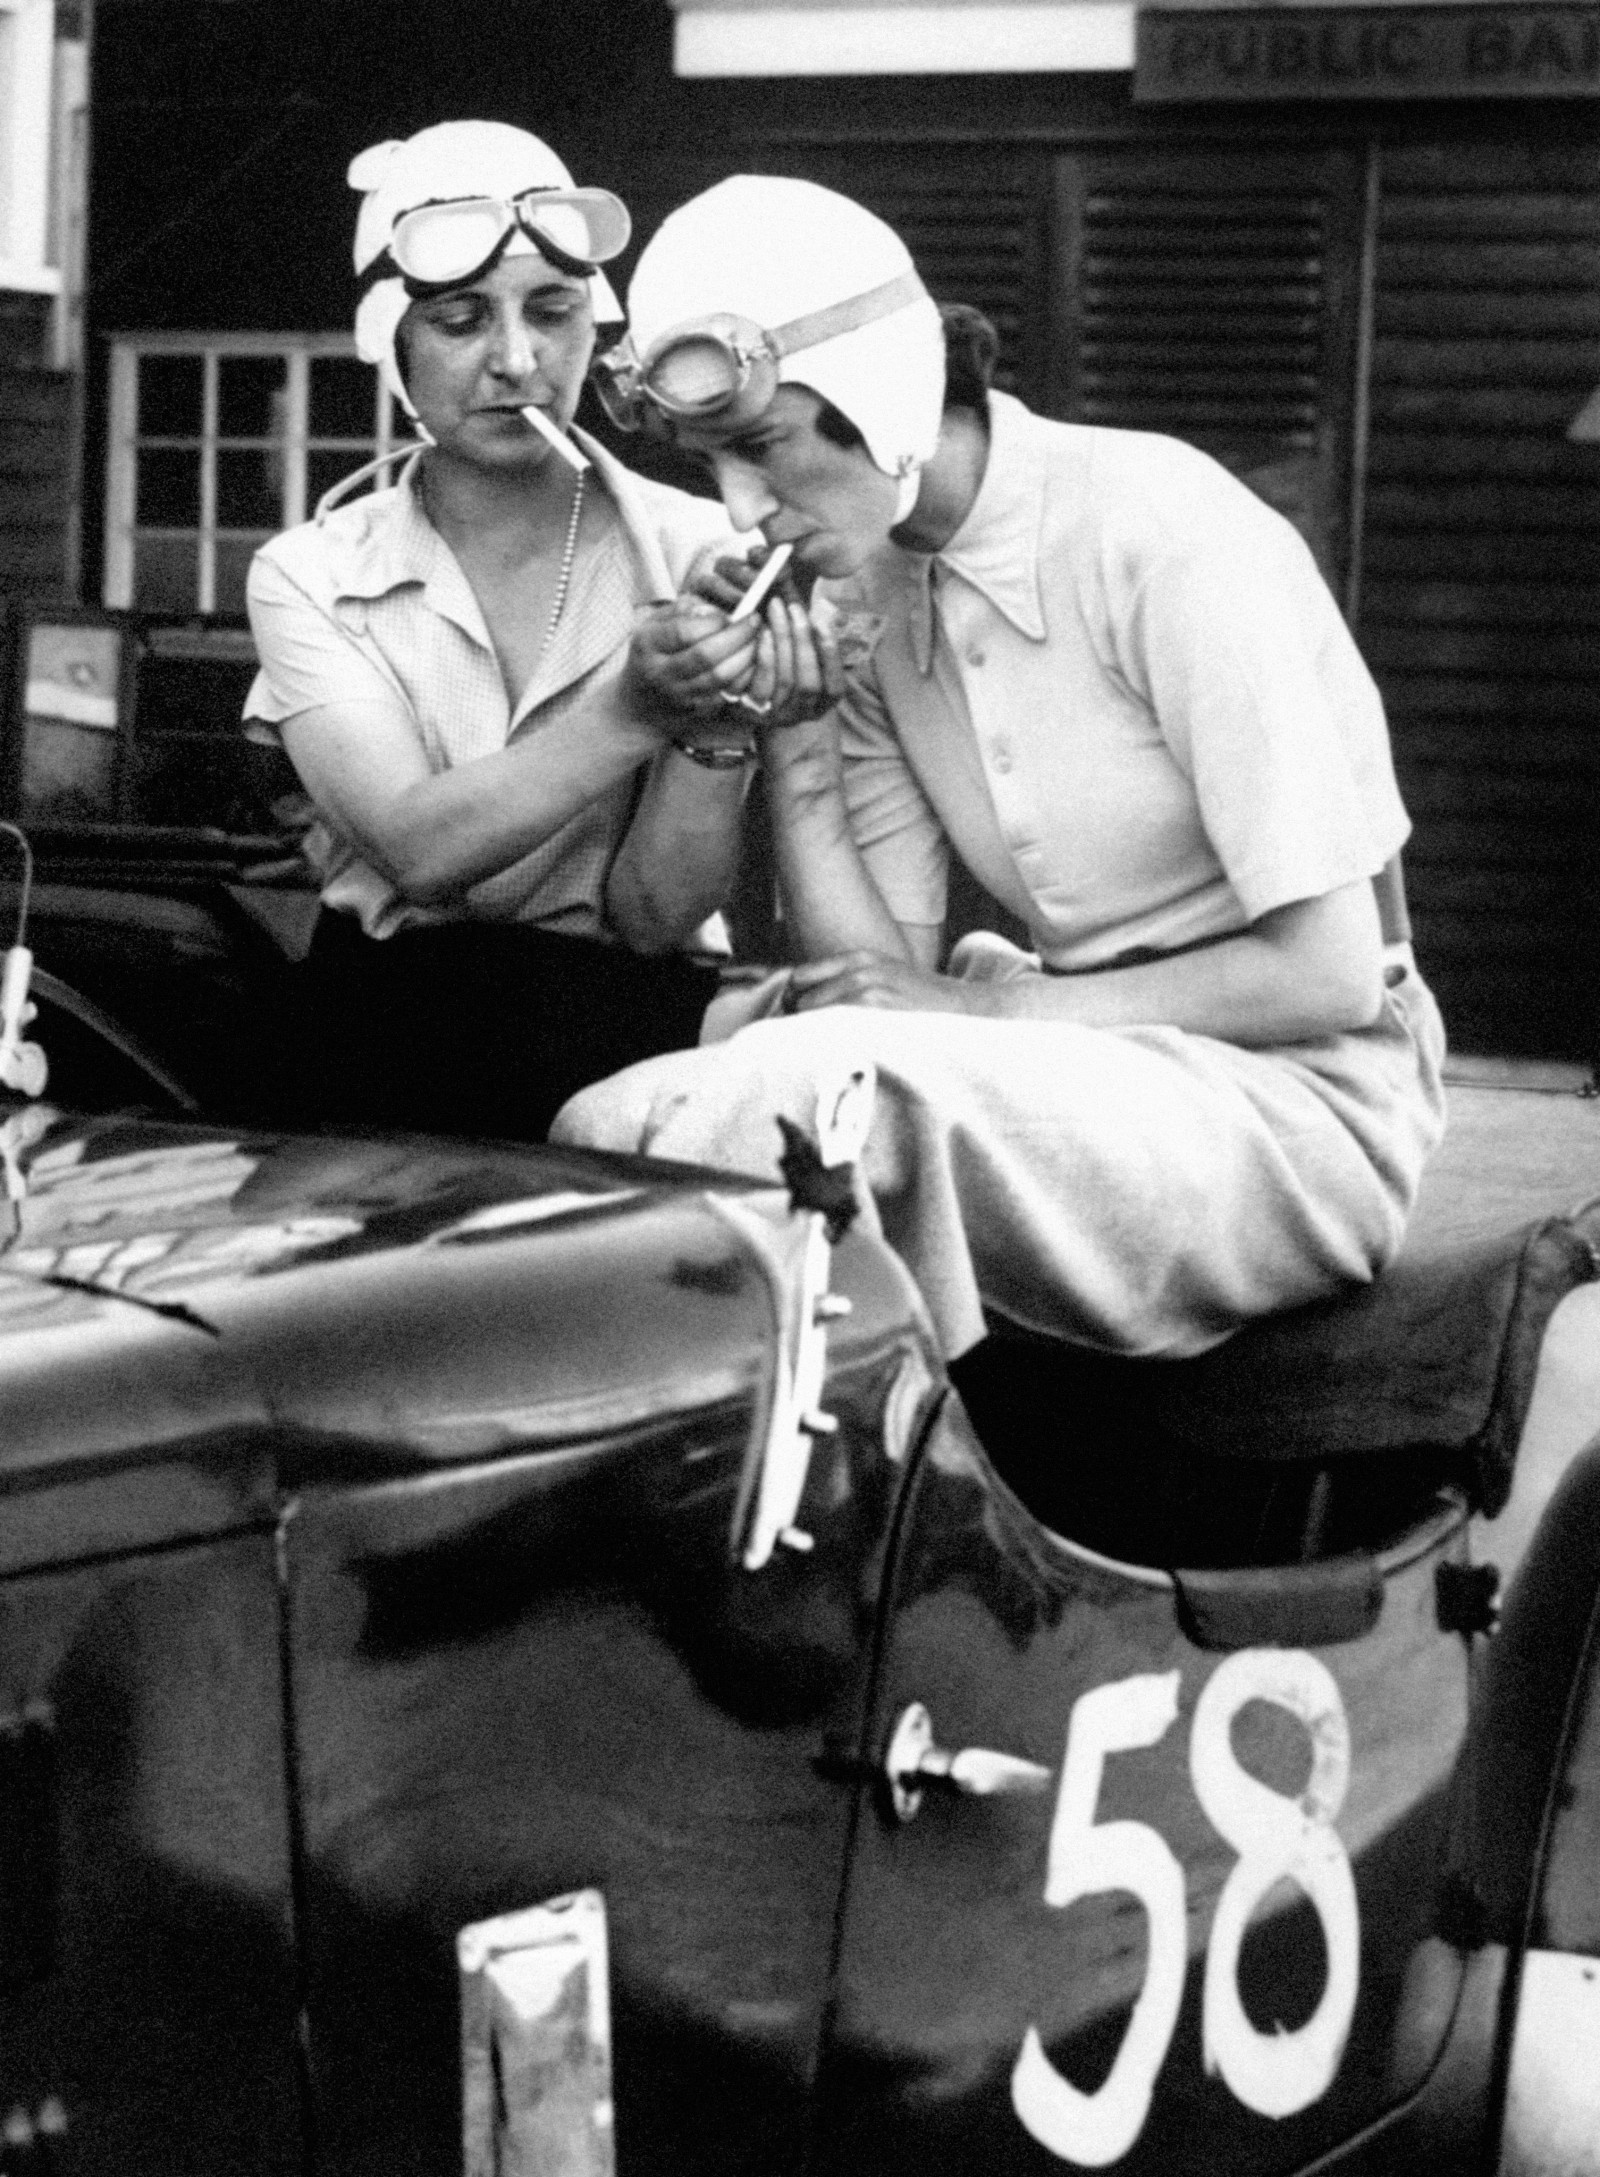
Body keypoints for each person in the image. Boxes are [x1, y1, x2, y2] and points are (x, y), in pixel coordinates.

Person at [553, 174, 1447, 1365]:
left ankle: (860, 1476)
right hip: (1092, 1065)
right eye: (712, 463)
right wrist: (799, 726)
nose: (742, 508)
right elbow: (881, 975)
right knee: (614, 1115)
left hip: (1298, 1106)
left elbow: (1328, 975)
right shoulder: (871, 579)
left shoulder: (1165, 530)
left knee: (824, 1100)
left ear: (882, 391)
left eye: (760, 447)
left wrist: (991, 1009)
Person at [243, 122, 782, 1139]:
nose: (517, 360)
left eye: (552, 311)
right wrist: (635, 705)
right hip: (382, 1048)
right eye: (459, 319)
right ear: (392, 345)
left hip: (634, 1042)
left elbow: (657, 916)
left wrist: (721, 714)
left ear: (596, 328)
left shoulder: (701, 549)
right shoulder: (312, 575)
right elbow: (418, 848)